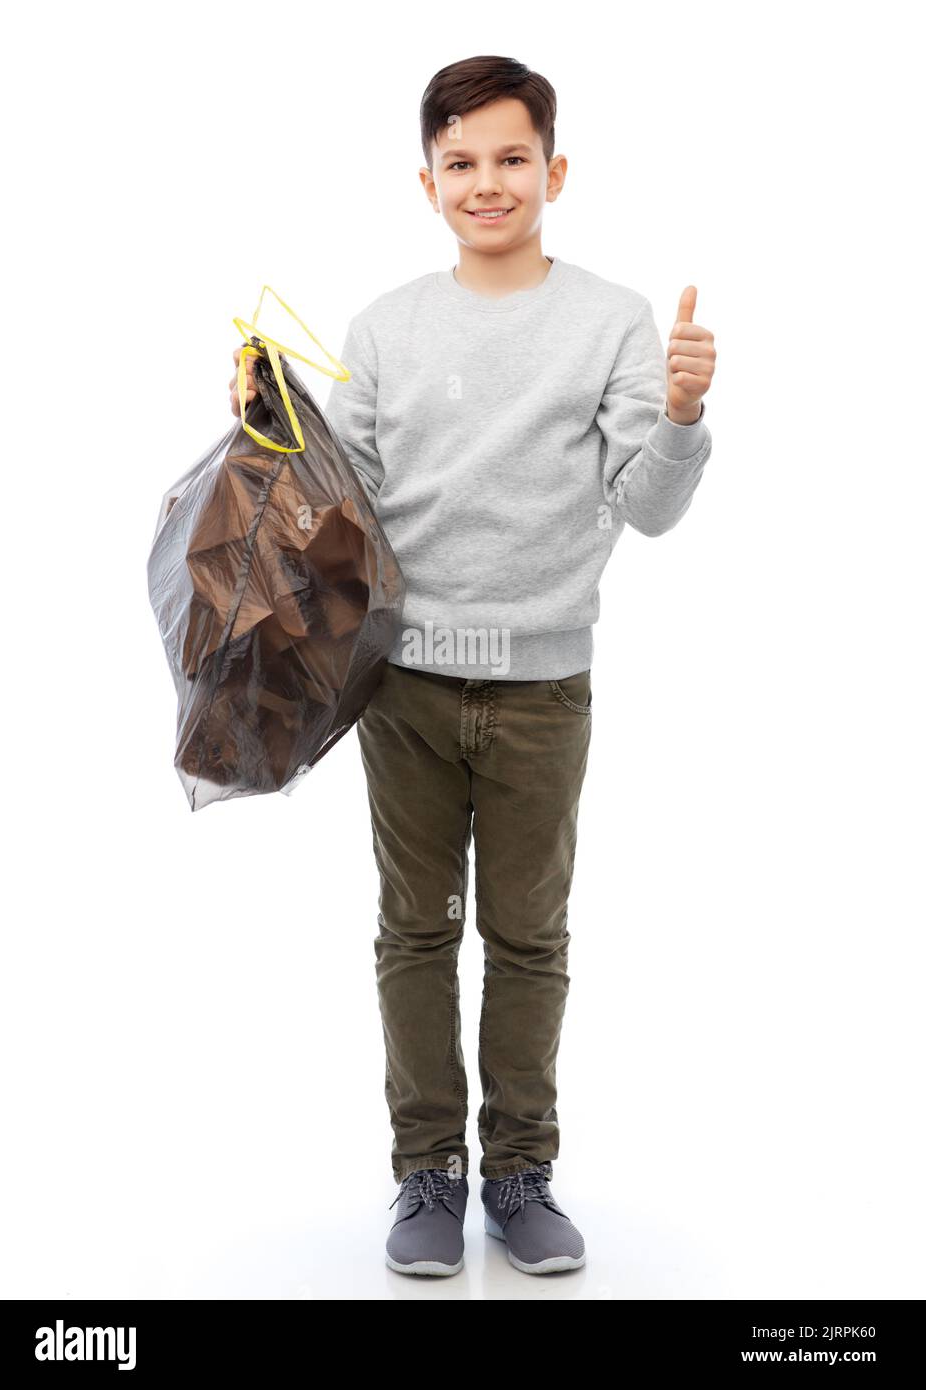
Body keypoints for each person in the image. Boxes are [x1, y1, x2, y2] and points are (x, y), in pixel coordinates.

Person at [229, 55, 717, 1279]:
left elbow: (643, 510)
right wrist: (269, 429)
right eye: (461, 162)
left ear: (552, 171)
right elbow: (341, 512)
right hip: (405, 688)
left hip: (545, 691)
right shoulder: (387, 327)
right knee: (413, 931)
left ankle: (518, 1171)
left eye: (511, 159)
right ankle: (427, 1177)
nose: (486, 182)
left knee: (528, 936)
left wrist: (680, 419)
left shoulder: (607, 319)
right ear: (426, 179)